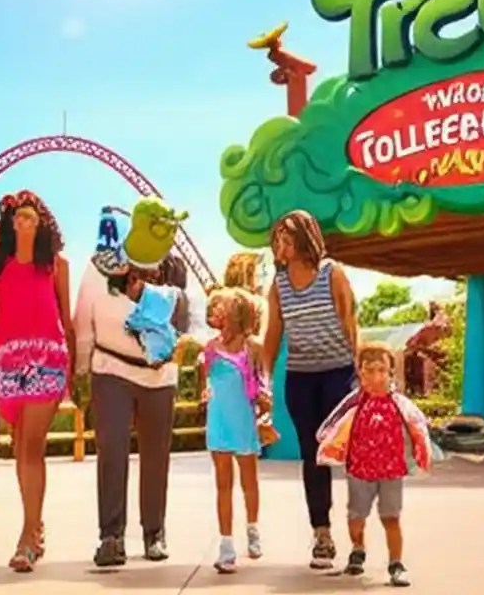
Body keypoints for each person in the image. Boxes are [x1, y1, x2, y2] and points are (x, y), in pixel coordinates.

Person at [75, 205, 189, 567]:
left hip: (159, 375)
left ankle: (154, 532)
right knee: (112, 450)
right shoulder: (98, 267)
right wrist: (81, 370)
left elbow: (187, 318)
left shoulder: (174, 268)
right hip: (110, 369)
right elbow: (83, 319)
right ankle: (111, 536)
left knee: (156, 455)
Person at [0, 190, 73, 573]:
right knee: (20, 447)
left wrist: (75, 371)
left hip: (46, 359)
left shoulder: (56, 265)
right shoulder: (1, 268)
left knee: (32, 446)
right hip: (8, 362)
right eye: (18, 216)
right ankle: (36, 526)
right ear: (10, 223)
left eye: (30, 217)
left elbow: (66, 319)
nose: (23, 221)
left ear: (41, 224)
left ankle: (27, 537)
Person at [261, 209, 358, 569]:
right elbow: (273, 336)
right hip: (301, 379)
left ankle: (359, 534)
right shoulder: (279, 285)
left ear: (303, 239)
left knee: (351, 453)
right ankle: (322, 534)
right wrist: (264, 381)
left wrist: (363, 372)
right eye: (277, 239)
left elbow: (350, 323)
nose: (280, 245)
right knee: (313, 455)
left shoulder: (332, 273)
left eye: (286, 238)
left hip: (339, 375)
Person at [325, 343, 431, 587]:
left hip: (391, 471)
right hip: (360, 470)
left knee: (391, 518)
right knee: (356, 517)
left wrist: (421, 454)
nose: (376, 377)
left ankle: (396, 564)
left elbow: (418, 427)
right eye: (369, 370)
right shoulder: (354, 403)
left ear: (390, 372)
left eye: (382, 370)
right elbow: (332, 426)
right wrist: (330, 449)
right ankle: (358, 548)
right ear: (360, 372)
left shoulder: (400, 403)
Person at [201, 288, 266, 573]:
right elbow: (207, 383)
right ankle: (226, 546)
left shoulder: (253, 349)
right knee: (223, 484)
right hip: (219, 423)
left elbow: (263, 383)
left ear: (236, 316)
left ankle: (252, 528)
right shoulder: (210, 349)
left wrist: (264, 401)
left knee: (249, 482)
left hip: (243, 423)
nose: (216, 312)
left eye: (222, 308)